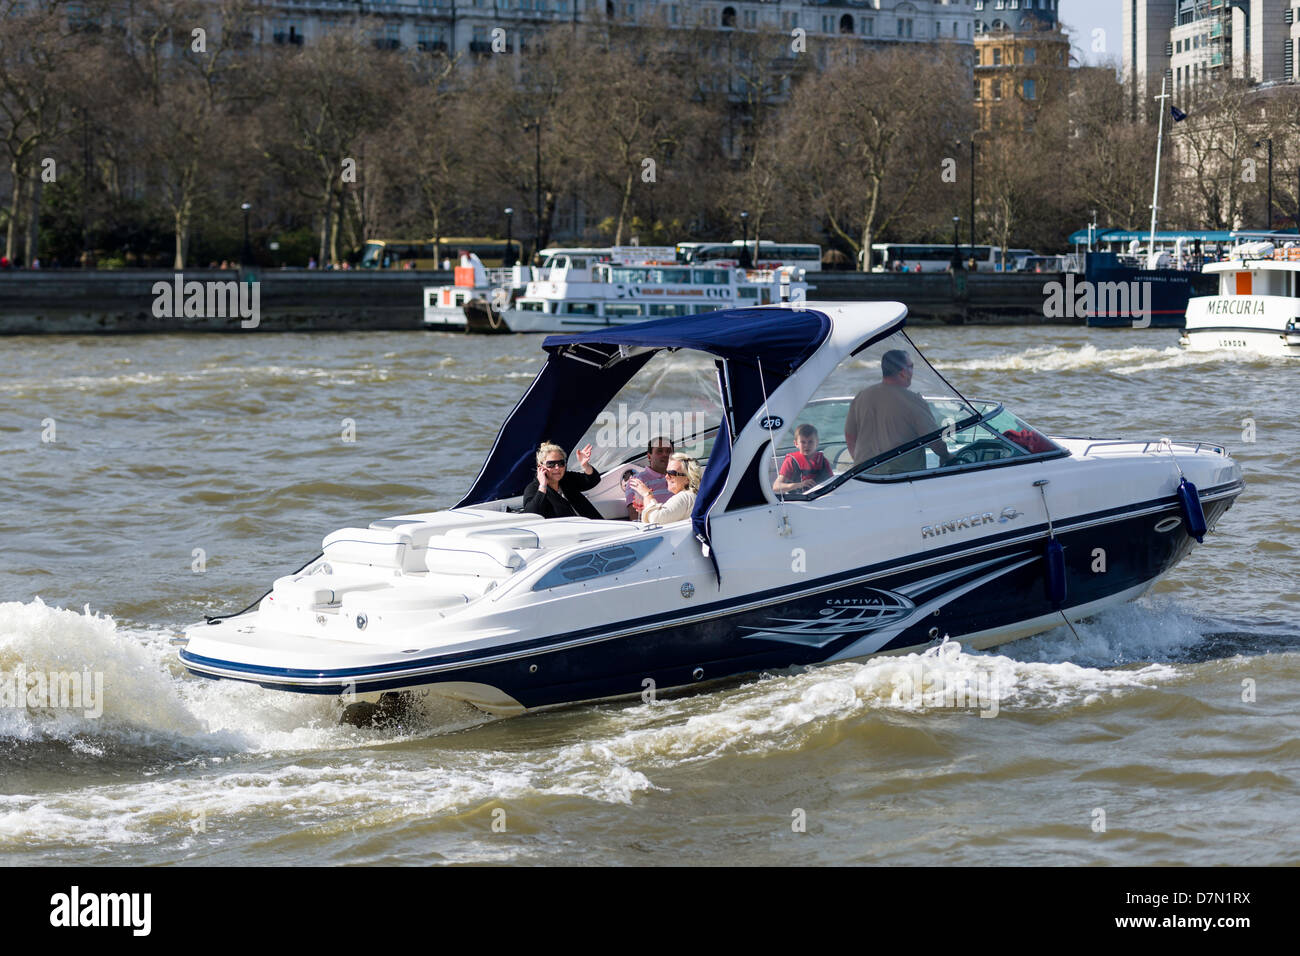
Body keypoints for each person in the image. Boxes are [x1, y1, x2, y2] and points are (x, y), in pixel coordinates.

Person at [844, 349, 952, 473]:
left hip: (865, 476)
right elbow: (934, 441)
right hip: (902, 479)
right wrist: (946, 456)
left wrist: (860, 463)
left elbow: (850, 435)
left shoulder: (861, 396)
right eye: (911, 367)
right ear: (903, 373)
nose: (913, 371)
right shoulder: (913, 400)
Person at [522, 441, 602, 519]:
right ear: (540, 466)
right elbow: (531, 515)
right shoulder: (533, 488)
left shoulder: (567, 478)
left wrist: (585, 465)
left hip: (595, 525)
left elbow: (593, 480)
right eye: (551, 464)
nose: (557, 468)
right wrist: (543, 486)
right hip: (570, 531)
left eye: (561, 463)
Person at [628, 453, 700, 524]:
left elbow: (656, 519)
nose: (666, 477)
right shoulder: (692, 496)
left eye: (671, 473)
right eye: (666, 472)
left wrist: (647, 494)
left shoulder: (685, 497)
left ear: (687, 478)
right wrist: (647, 508)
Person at [773, 423, 833, 494]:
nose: (806, 445)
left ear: (817, 442)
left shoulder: (823, 460)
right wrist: (799, 485)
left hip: (819, 497)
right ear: (796, 444)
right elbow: (776, 487)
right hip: (799, 501)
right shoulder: (791, 461)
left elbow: (832, 481)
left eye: (810, 442)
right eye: (803, 442)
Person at [624, 436, 674, 519]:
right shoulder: (637, 482)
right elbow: (636, 518)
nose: (665, 455)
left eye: (668, 451)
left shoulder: (681, 477)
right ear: (649, 456)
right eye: (660, 451)